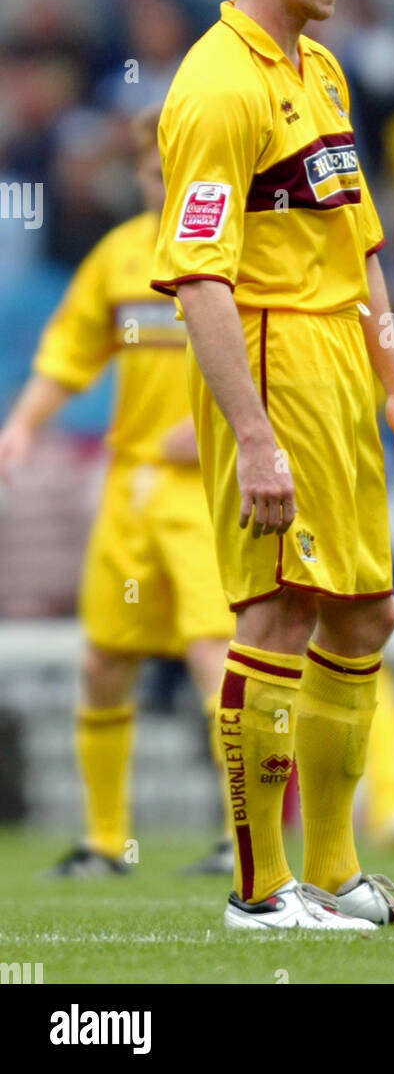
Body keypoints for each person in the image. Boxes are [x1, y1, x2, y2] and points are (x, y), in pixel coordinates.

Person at [150, 0, 394, 932]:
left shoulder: (315, 69)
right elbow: (199, 278)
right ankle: (259, 891)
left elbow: (357, 243)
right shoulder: (215, 86)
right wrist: (254, 437)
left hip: (338, 365)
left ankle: (331, 871)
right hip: (268, 359)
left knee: (362, 612)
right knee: (274, 610)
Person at [0, 107, 236, 877]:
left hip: (208, 491)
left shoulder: (239, 254)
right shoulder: (121, 256)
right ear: (137, 175)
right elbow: (69, 352)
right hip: (131, 485)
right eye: (152, 173)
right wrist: (24, 427)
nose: (163, 185)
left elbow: (279, 368)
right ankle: (106, 841)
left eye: (176, 173)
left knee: (216, 657)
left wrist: (216, 431)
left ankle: (245, 839)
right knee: (104, 657)